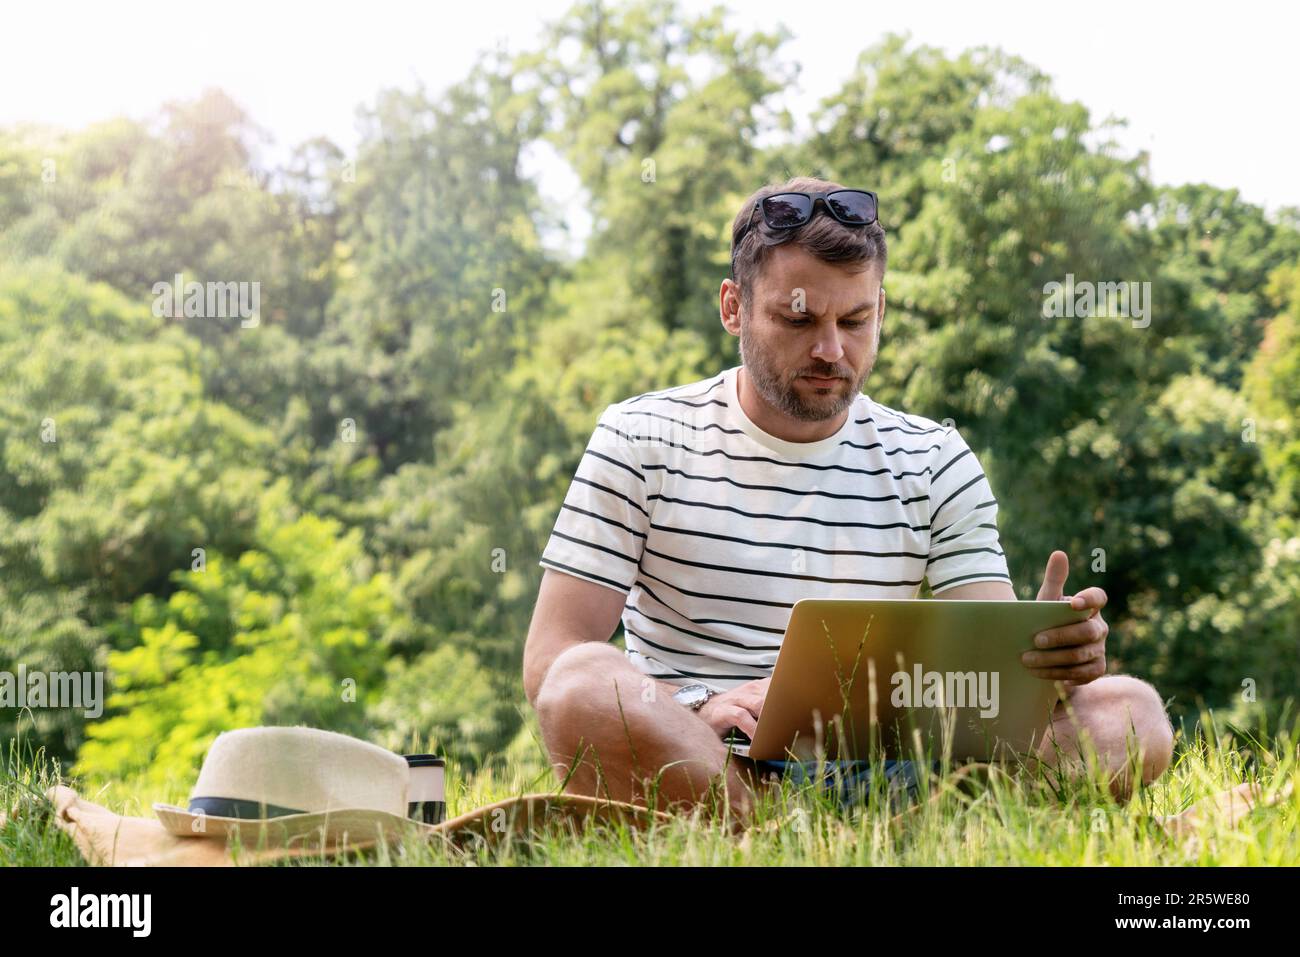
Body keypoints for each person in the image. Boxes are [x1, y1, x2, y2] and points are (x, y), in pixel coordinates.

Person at [522, 175, 1174, 827]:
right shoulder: (641, 437)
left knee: (1130, 712)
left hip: (895, 761)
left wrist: (1045, 665)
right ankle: (851, 826)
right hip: (708, 752)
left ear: (881, 311)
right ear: (732, 307)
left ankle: (787, 826)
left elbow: (989, 692)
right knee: (581, 684)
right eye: (798, 318)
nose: (832, 349)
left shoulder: (934, 458)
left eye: (855, 320)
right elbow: (551, 661)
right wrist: (696, 703)